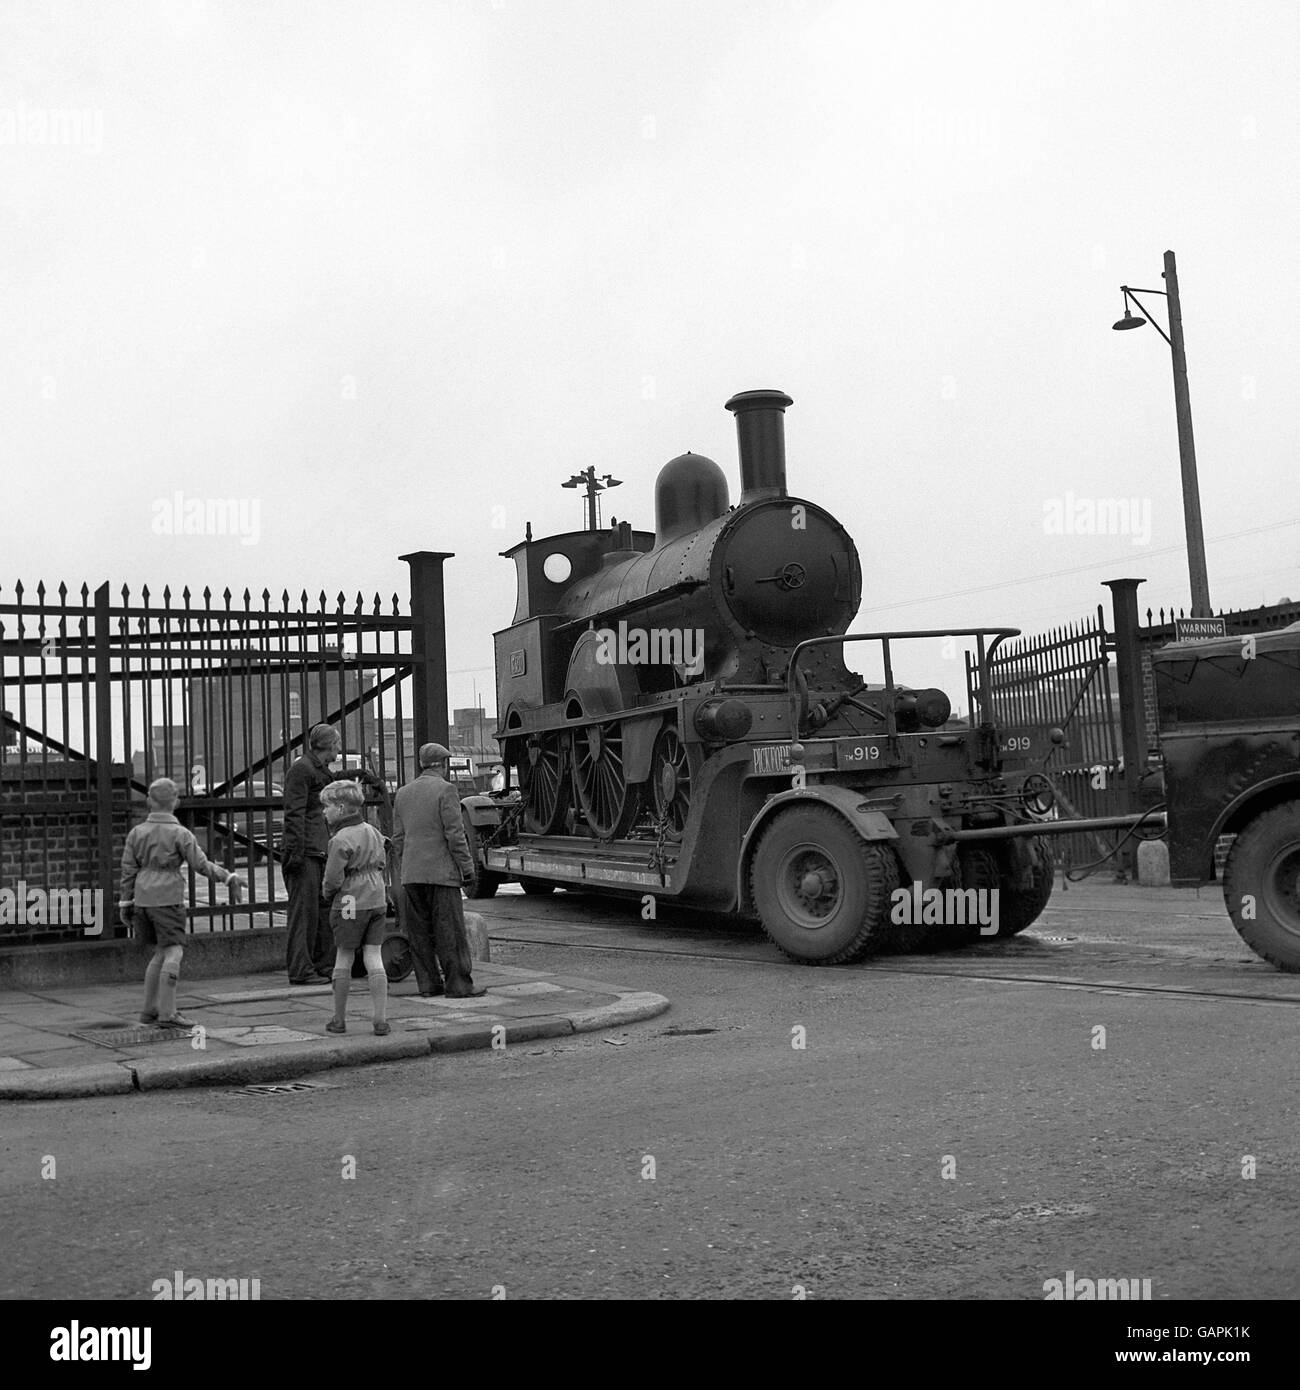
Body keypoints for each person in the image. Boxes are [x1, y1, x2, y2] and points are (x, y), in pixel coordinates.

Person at [119, 777, 244, 1028]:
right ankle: (169, 1013)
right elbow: (201, 865)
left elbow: (127, 870)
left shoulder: (137, 833)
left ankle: (149, 1009)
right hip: (168, 898)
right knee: (174, 951)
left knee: (160, 952)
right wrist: (227, 876)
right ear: (175, 802)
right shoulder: (180, 834)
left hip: (143, 898)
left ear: (149, 801)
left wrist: (125, 903)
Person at [392, 742, 485, 999]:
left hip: (412, 874)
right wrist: (468, 870)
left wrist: (406, 868)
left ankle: (428, 985)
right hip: (441, 875)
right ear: (443, 764)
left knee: (419, 933)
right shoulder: (446, 790)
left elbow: (398, 839)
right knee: (449, 932)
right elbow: (455, 836)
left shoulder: (403, 793)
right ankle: (458, 985)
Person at [320, 780, 391, 1036]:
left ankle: (339, 1019)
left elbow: (333, 879)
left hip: (350, 901)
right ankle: (380, 1019)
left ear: (340, 808)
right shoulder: (372, 831)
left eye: (326, 807)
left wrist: (328, 894)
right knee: (374, 956)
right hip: (376, 898)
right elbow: (382, 861)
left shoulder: (339, 839)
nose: (324, 812)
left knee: (345, 955)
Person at [282, 723, 341, 984]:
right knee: (304, 914)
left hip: (317, 851)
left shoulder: (317, 770)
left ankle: (323, 965)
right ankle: (301, 970)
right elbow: (293, 814)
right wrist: (294, 853)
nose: (338, 749)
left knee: (321, 912)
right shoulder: (302, 770)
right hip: (305, 852)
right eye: (337, 744)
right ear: (328, 745)